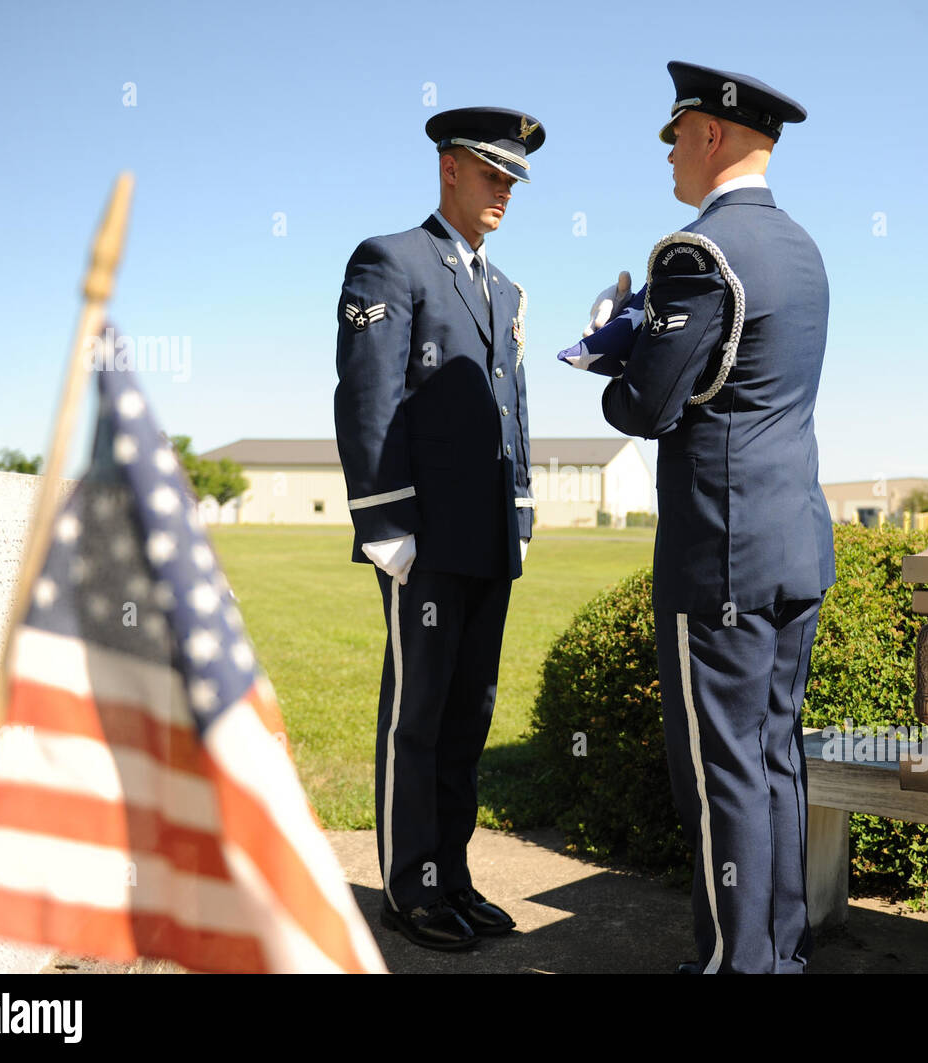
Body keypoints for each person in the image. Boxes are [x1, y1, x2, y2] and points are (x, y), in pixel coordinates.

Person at [592, 61, 835, 973]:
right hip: (796, 545)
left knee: (722, 773)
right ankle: (779, 954)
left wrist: (611, 339)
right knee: (776, 758)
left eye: (675, 138)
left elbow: (646, 409)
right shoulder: (805, 248)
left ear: (710, 135)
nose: (669, 159)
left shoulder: (696, 254)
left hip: (722, 554)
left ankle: (736, 964)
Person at [333, 106, 544, 951]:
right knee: (416, 715)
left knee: (469, 714)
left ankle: (452, 875)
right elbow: (367, 396)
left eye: (514, 180)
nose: (504, 191)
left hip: (488, 534)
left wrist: (520, 507)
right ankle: (408, 887)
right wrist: (384, 518)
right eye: (491, 172)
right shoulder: (391, 260)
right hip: (420, 538)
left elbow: (513, 409)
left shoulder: (505, 287)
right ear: (449, 166)